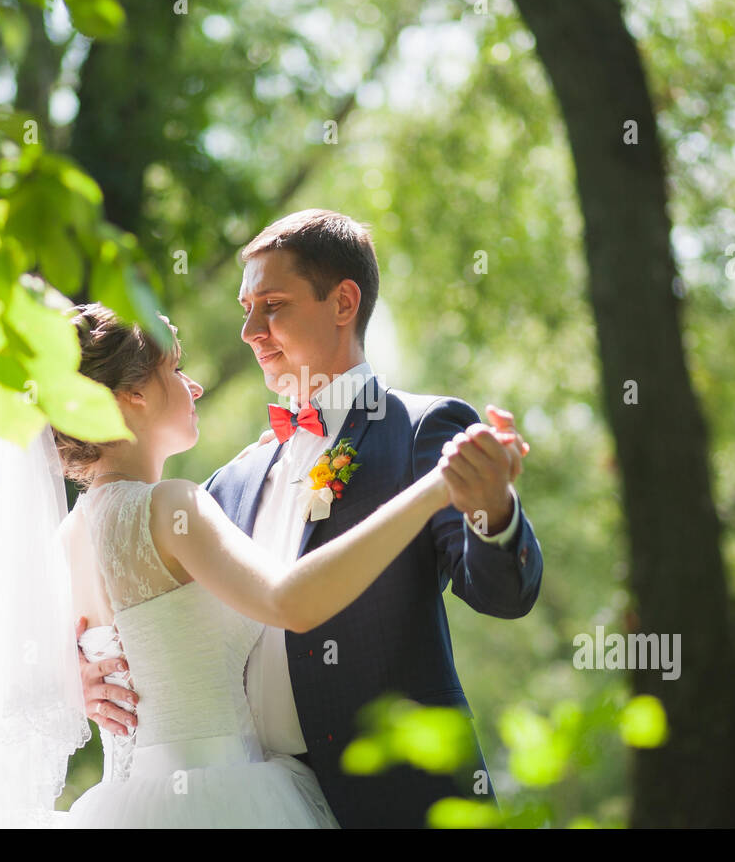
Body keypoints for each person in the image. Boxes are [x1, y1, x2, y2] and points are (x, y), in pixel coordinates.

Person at [78, 209, 544, 828]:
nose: (249, 330)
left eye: (272, 304)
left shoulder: (420, 430)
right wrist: (85, 675)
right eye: (246, 307)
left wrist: (492, 507)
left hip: (401, 800)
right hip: (255, 805)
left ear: (342, 302)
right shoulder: (227, 481)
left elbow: (505, 595)